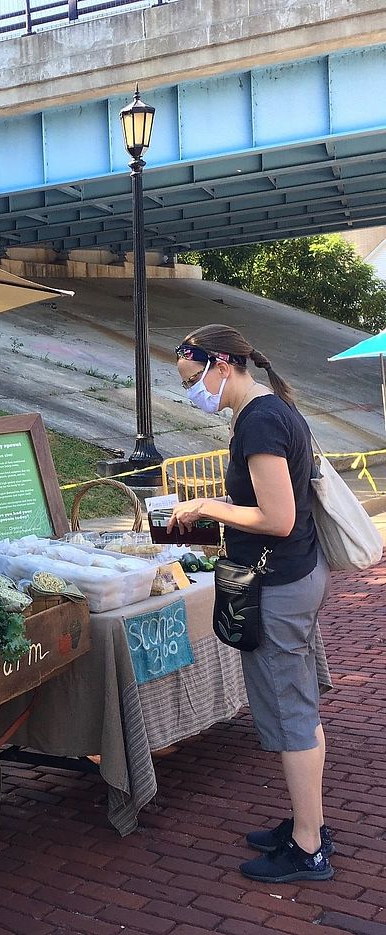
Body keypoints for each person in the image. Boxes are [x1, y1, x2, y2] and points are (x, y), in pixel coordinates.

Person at [167, 324, 333, 883]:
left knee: (292, 716)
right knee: (301, 709)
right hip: (298, 575)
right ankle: (307, 822)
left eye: (193, 378)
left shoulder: (260, 420)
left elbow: (278, 518)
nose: (193, 391)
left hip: (279, 585)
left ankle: (308, 847)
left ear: (220, 364)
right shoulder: (274, 410)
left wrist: (209, 507)